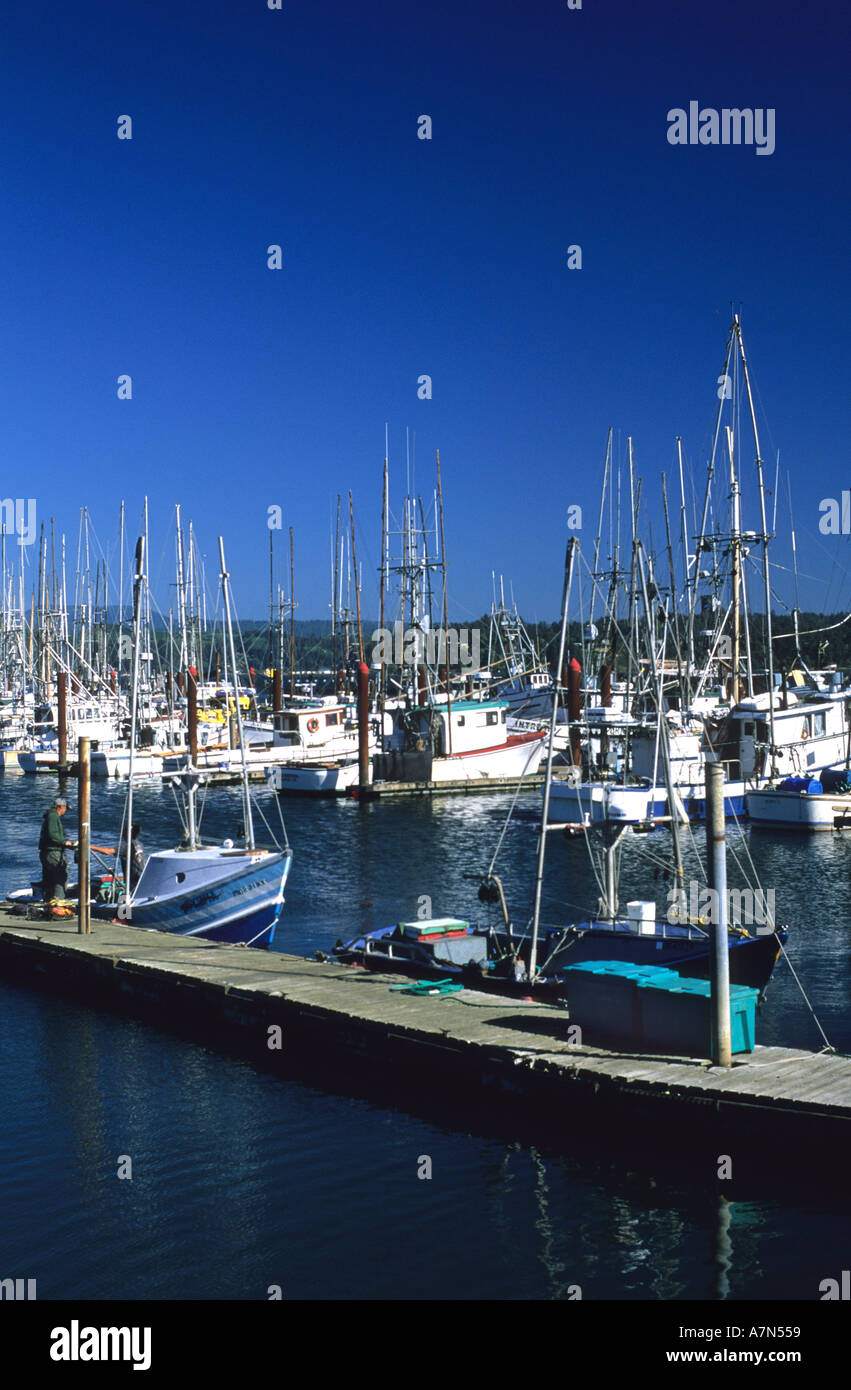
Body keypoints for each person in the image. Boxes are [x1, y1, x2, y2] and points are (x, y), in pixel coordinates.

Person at [39, 797, 74, 902]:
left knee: (49, 878)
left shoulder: (50, 816)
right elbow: (52, 834)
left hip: (46, 852)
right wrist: (64, 842)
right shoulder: (53, 816)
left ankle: (48, 902)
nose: (66, 811)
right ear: (61, 807)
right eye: (65, 808)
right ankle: (59, 903)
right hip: (53, 852)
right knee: (60, 877)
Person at [116, 822, 145, 890]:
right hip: (142, 879)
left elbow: (107, 852)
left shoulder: (126, 846)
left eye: (125, 830)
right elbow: (143, 861)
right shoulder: (139, 844)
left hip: (133, 882)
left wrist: (90, 846)